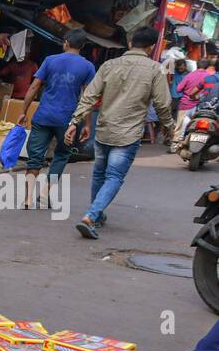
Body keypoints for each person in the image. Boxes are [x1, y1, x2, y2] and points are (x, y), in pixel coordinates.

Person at [67, 27, 174, 240]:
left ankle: (96, 214)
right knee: (114, 176)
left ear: (131, 43)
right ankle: (91, 215)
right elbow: (163, 104)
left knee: (99, 174)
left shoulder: (109, 65)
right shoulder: (154, 69)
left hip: (104, 129)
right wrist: (169, 127)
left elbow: (89, 95)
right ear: (151, 46)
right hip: (128, 134)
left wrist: (74, 121)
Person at [18, 30, 95, 207]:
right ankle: (44, 194)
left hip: (43, 116)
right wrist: (87, 124)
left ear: (66, 42)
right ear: (82, 46)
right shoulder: (88, 66)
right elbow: (87, 97)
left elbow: (34, 87)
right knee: (61, 155)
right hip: (68, 121)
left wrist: (23, 111)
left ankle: (28, 198)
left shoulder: (50, 60)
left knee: (35, 157)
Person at [174, 58, 216, 149]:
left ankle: (175, 146)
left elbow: (178, 89)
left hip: (186, 105)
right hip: (201, 107)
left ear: (197, 66)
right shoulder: (209, 77)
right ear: (207, 66)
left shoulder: (189, 76)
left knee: (180, 127)